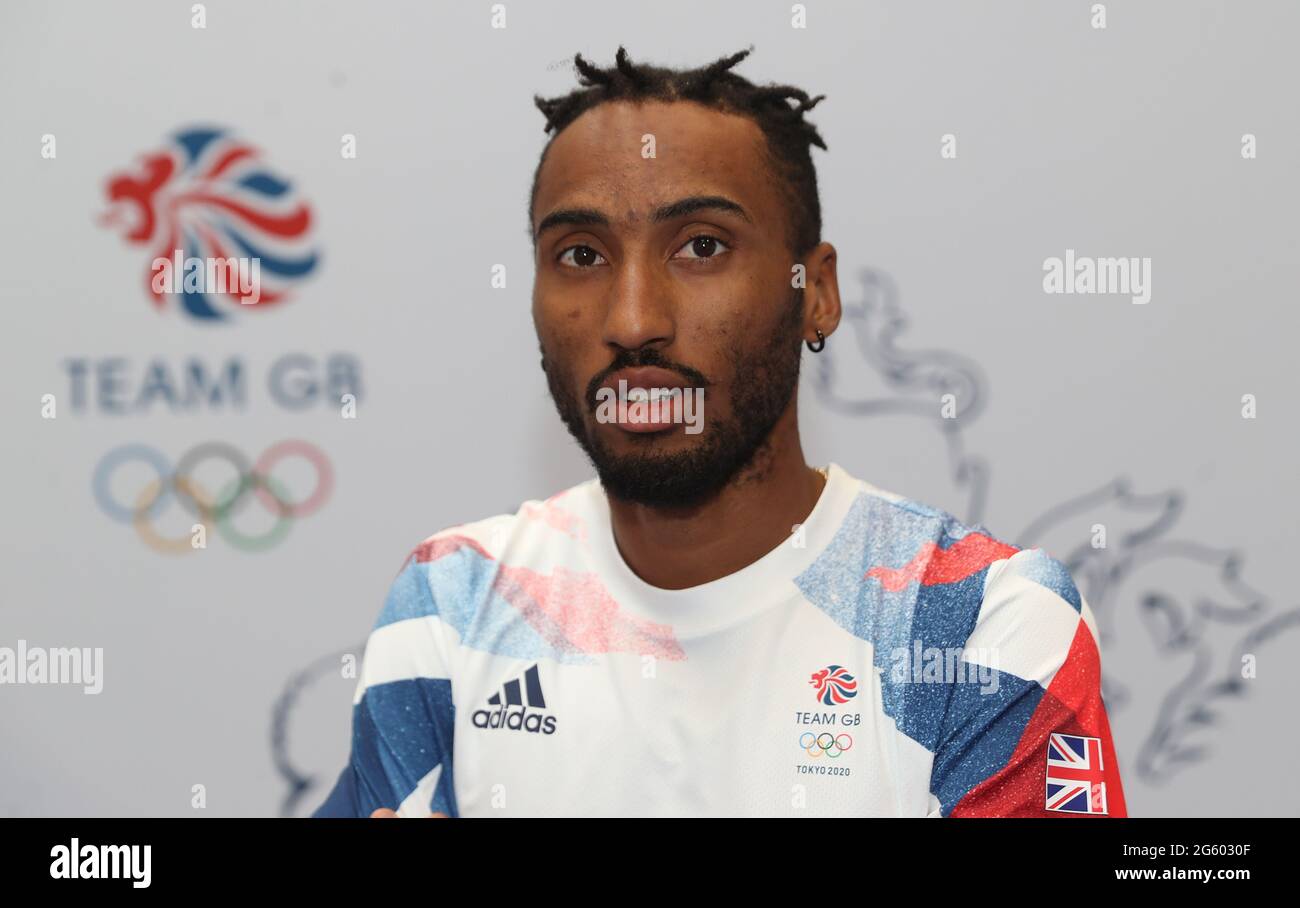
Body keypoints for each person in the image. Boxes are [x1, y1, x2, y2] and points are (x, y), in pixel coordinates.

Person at [314, 46, 1126, 818]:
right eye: (582, 255)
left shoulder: (980, 626)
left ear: (817, 293)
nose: (632, 320)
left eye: (701, 247)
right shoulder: (451, 606)